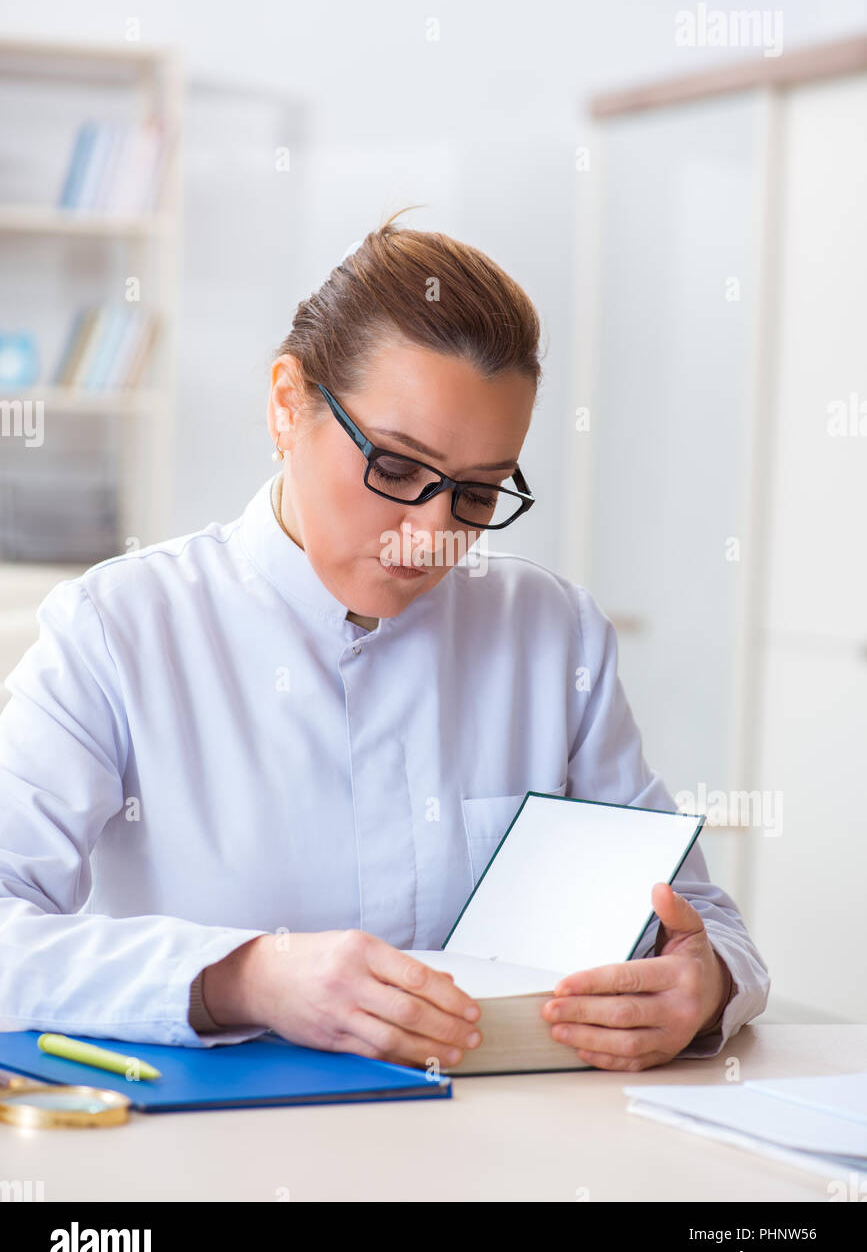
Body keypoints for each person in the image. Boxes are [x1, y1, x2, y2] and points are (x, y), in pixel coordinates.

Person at [0, 210, 769, 1073]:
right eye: (396, 470)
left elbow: (696, 910)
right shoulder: (118, 630)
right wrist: (241, 978)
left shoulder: (550, 636)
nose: (430, 534)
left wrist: (700, 986)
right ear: (288, 404)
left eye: (477, 493)